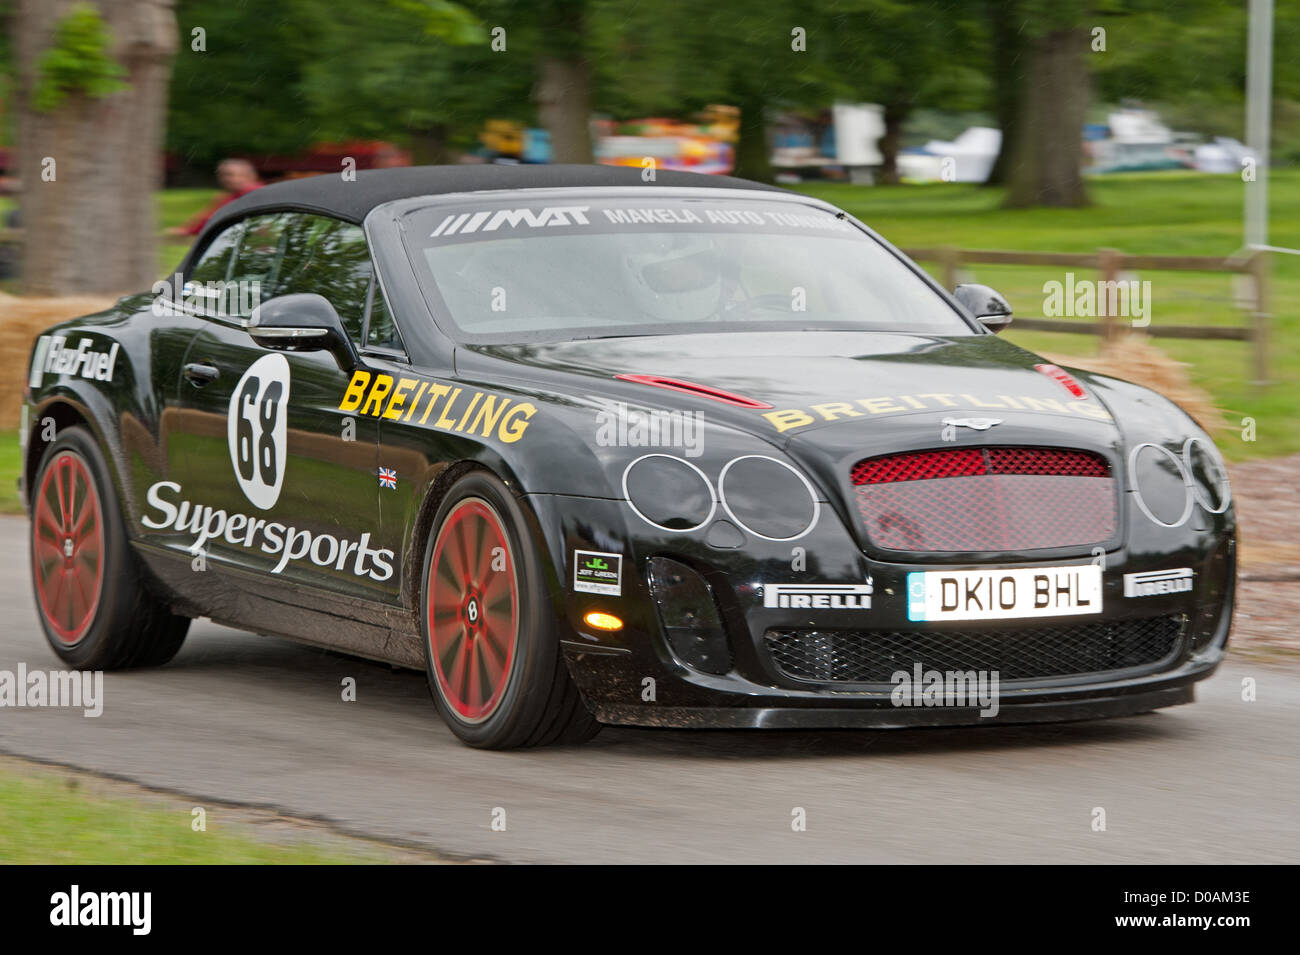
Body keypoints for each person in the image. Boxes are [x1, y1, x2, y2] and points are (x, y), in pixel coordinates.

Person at [167, 159, 263, 236]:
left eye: (230, 175)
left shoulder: (250, 193)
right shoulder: (231, 196)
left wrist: (187, 231)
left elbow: (210, 219)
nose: (226, 179)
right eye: (222, 175)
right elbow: (207, 217)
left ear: (249, 176)